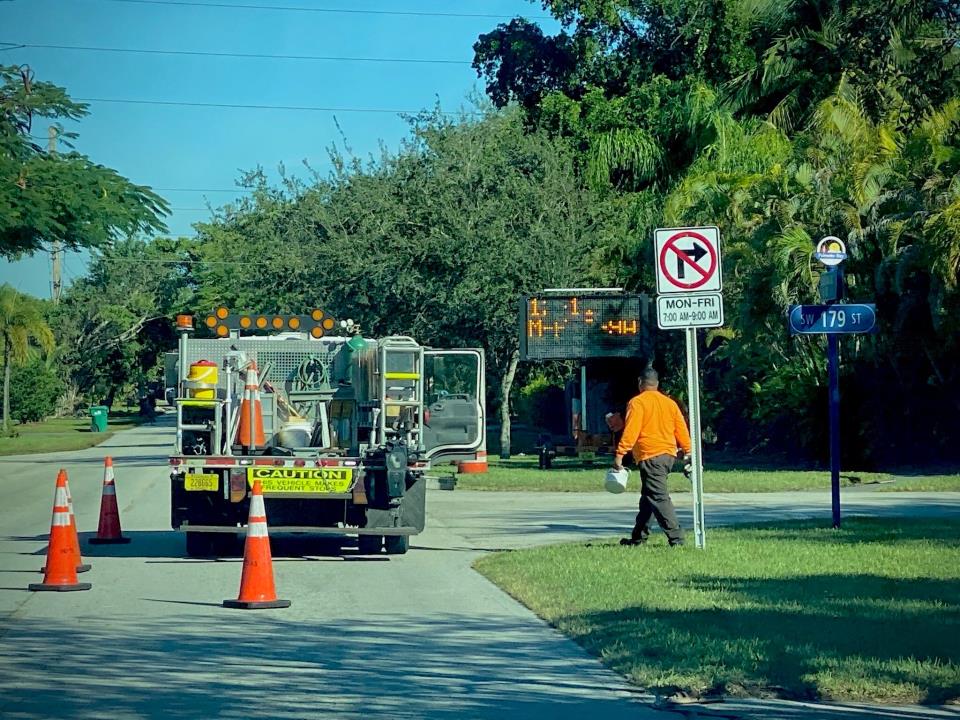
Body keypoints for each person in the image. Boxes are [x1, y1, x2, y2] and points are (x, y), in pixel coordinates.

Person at [612, 368, 691, 547]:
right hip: (668, 455)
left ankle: (677, 539)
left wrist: (620, 454)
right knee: (648, 497)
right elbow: (681, 428)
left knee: (659, 497)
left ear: (640, 382)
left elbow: (632, 429)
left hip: (651, 455)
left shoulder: (637, 402)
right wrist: (688, 450)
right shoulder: (669, 403)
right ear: (657, 383)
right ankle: (638, 538)